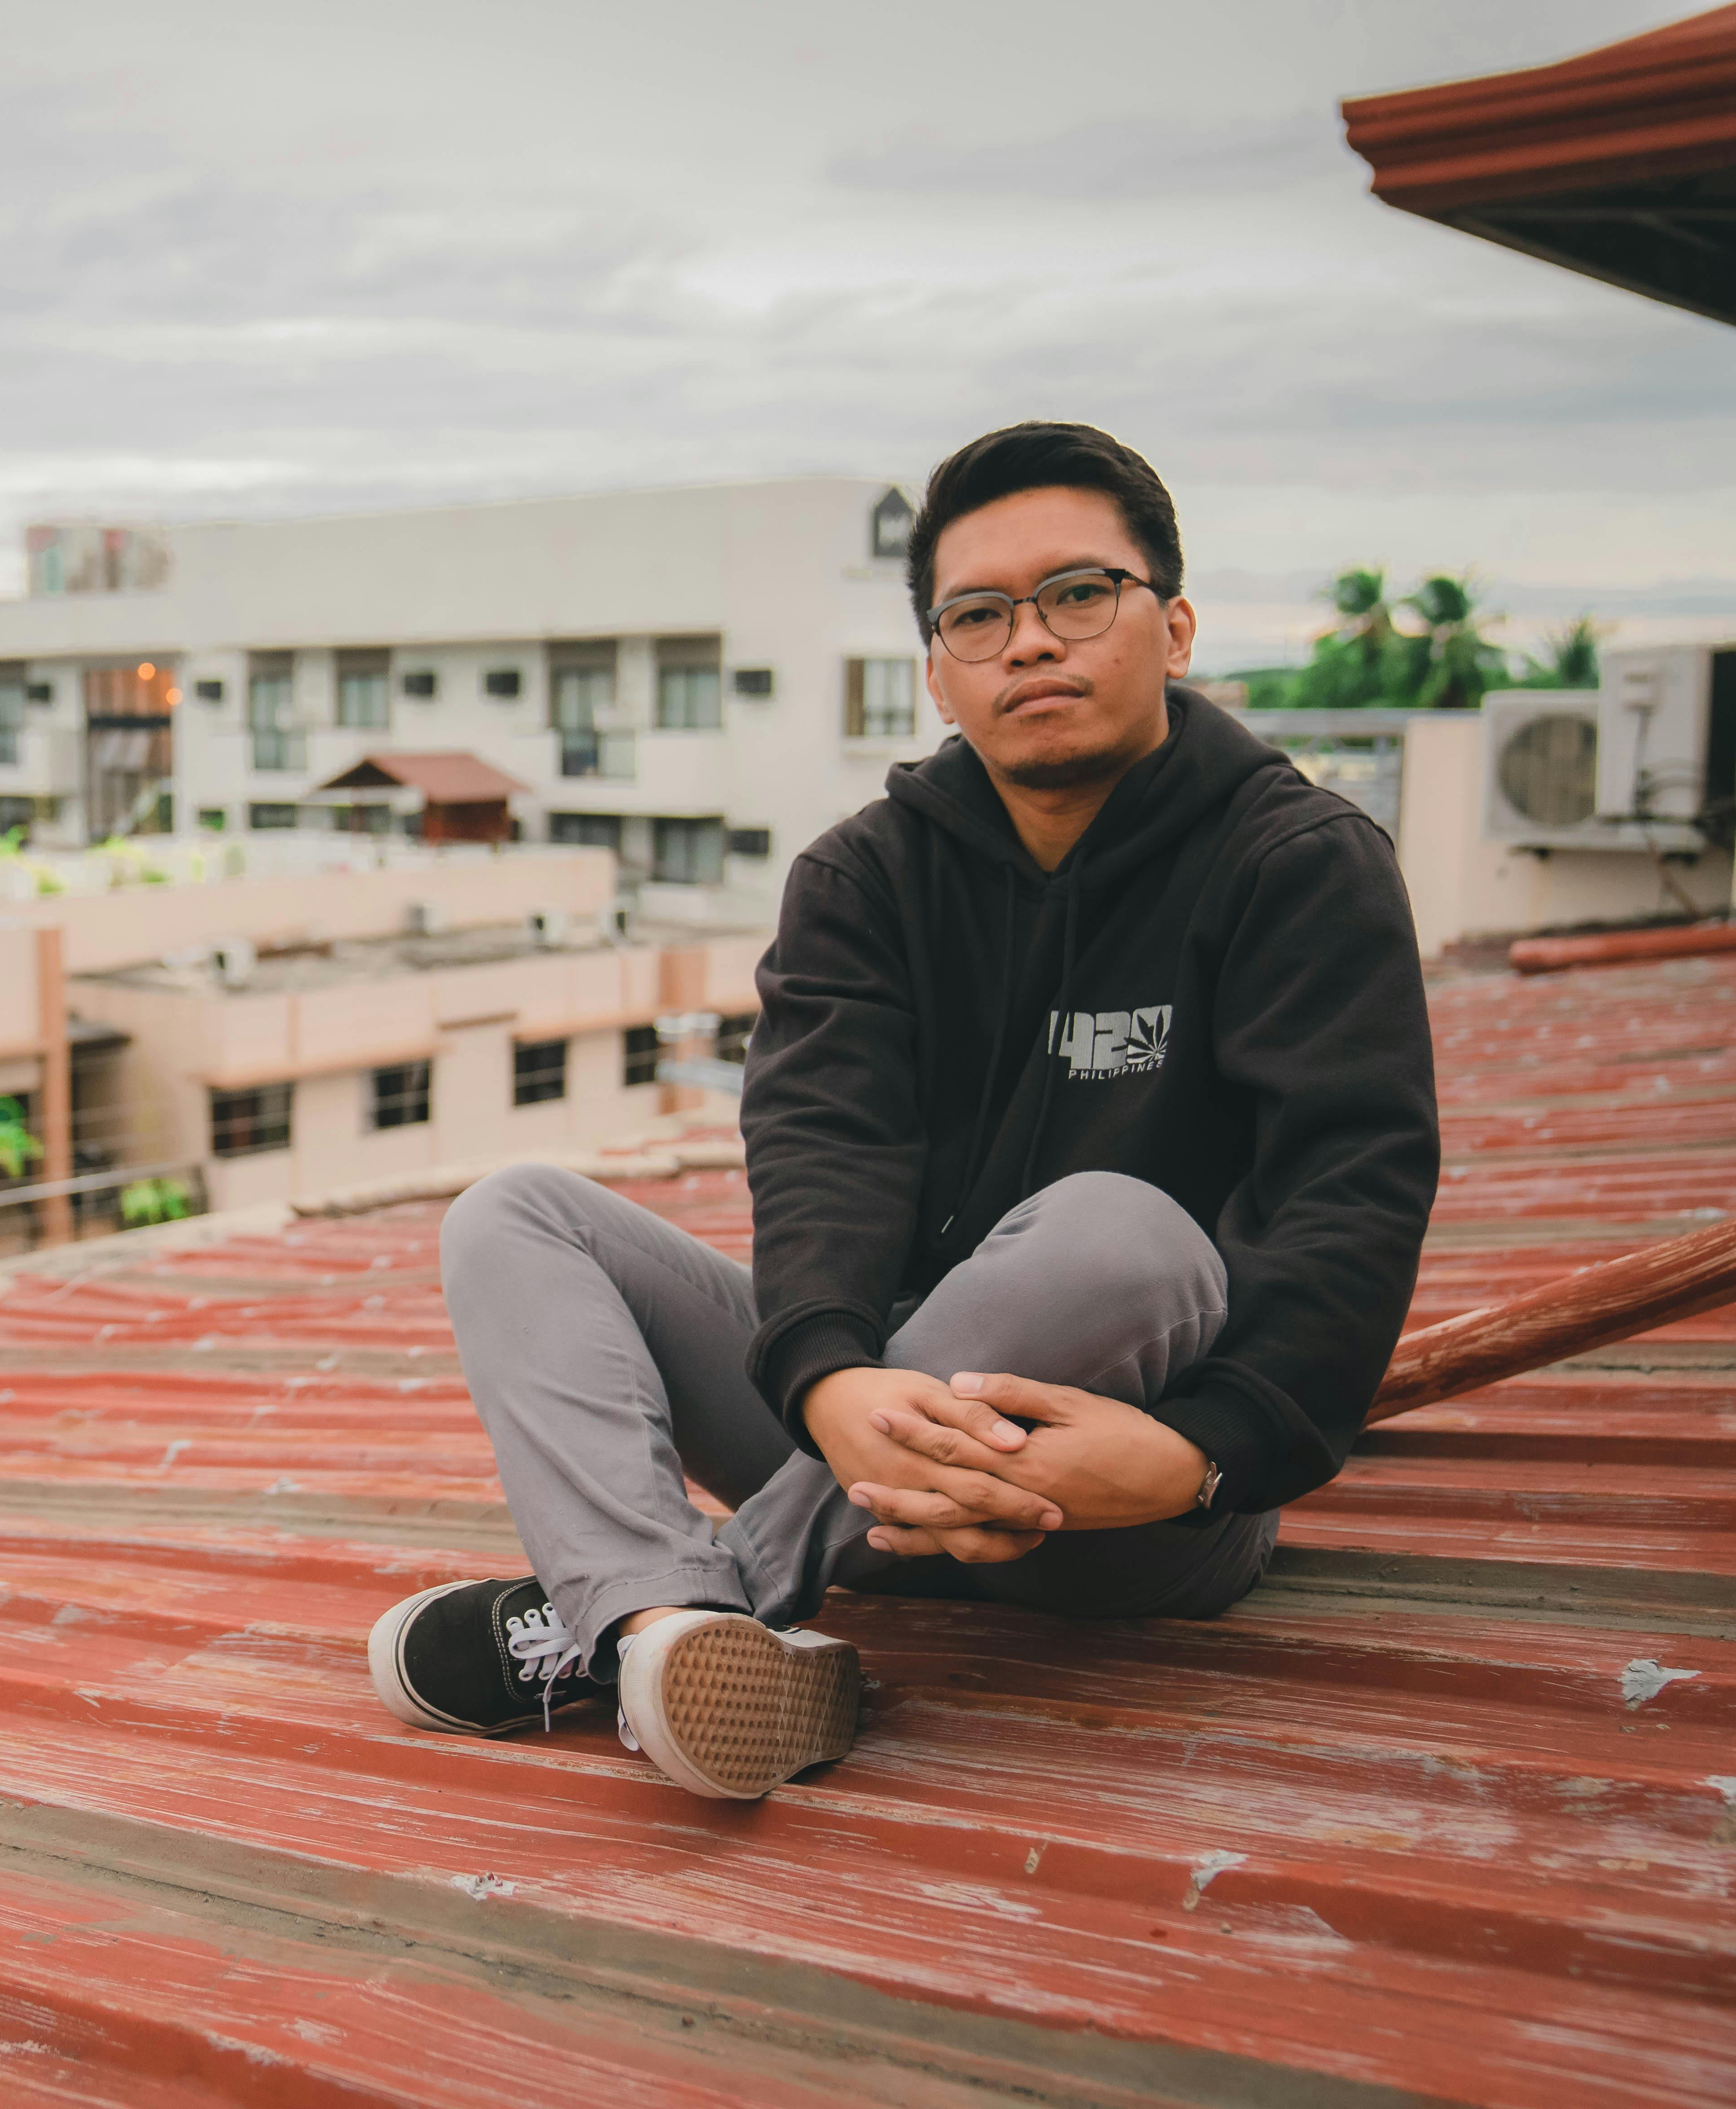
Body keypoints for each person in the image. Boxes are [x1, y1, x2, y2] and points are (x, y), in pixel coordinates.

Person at [367, 423, 1441, 1799]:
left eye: (1078, 595)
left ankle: (651, 1613)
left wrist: (1198, 1459)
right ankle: (669, 1632)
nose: (1031, 643)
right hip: (861, 1450)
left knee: (1121, 1234)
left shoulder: (1299, 865)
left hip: (1113, 1496)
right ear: (938, 668)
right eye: (980, 616)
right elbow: (823, 1143)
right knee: (515, 1214)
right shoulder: (867, 878)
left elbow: (1352, 1190)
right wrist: (832, 1380)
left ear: (1171, 626)